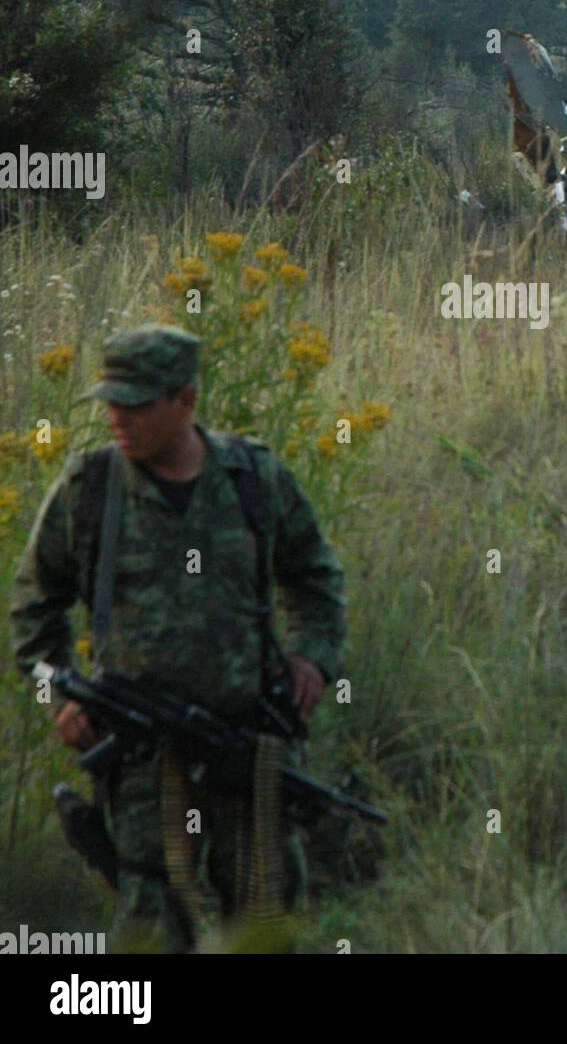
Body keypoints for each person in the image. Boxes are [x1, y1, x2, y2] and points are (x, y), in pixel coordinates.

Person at [10, 324, 346, 951]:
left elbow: (316, 578)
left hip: (250, 746)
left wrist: (313, 659)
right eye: (111, 402)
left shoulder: (254, 480)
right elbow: (34, 610)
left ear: (185, 401)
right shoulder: (90, 492)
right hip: (141, 764)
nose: (118, 418)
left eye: (137, 404)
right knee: (151, 927)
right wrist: (59, 696)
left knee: (265, 921)